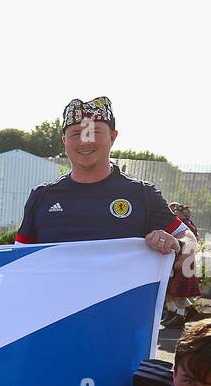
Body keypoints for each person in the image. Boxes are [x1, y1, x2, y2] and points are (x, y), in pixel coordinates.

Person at [13, 96, 195, 271]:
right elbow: (16, 263)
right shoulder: (41, 196)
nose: (85, 141)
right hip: (53, 303)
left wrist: (178, 246)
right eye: (76, 133)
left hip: (122, 304)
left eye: (93, 132)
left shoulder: (142, 194)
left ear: (113, 137)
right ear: (64, 141)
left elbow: (190, 244)